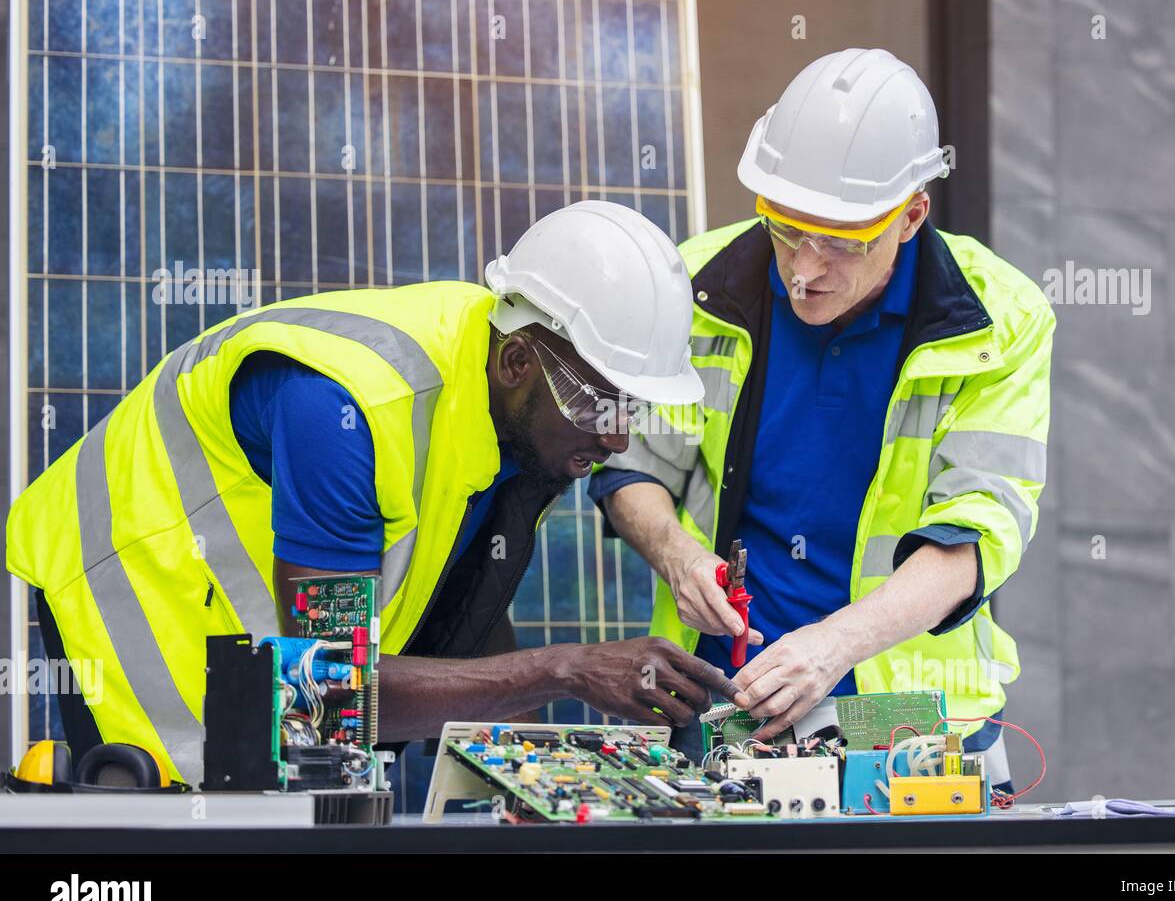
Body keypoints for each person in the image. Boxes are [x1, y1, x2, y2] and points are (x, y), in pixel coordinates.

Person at [7, 200, 739, 784]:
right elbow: (326, 694)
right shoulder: (347, 409)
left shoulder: (520, 406)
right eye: (600, 406)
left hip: (256, 623)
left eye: (632, 411)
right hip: (130, 580)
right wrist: (566, 669)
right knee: (194, 815)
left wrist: (540, 771)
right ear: (518, 360)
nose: (617, 439)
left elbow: (472, 609)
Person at [588, 50, 1055, 789]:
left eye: (840, 242)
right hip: (724, 709)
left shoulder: (1005, 320)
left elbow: (978, 532)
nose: (804, 269)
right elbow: (633, 467)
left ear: (910, 216)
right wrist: (676, 554)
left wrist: (836, 645)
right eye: (784, 229)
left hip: (917, 724)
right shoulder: (696, 285)